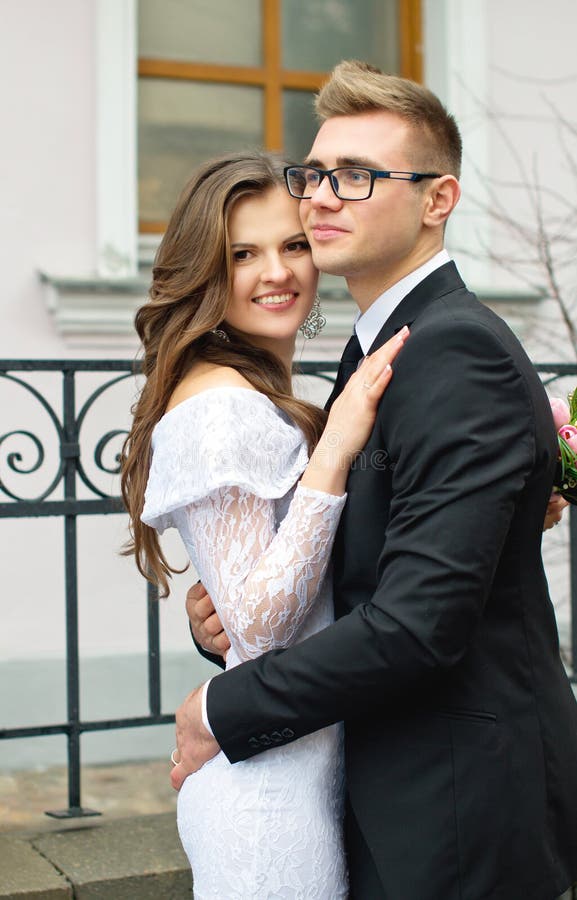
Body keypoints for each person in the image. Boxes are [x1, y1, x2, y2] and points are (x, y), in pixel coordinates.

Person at [175, 61, 577, 900]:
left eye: (356, 176)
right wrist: (238, 614)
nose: (320, 198)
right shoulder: (381, 343)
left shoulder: (454, 351)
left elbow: (419, 623)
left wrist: (224, 708)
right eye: (315, 173)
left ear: (437, 200)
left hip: (457, 801)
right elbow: (365, 563)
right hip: (391, 783)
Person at [120, 150, 409, 898]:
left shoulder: (256, 388)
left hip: (296, 775)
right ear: (205, 273)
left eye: (292, 245)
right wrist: (334, 449)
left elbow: (257, 598)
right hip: (265, 808)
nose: (276, 272)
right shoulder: (221, 406)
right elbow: (260, 628)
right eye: (241, 254)